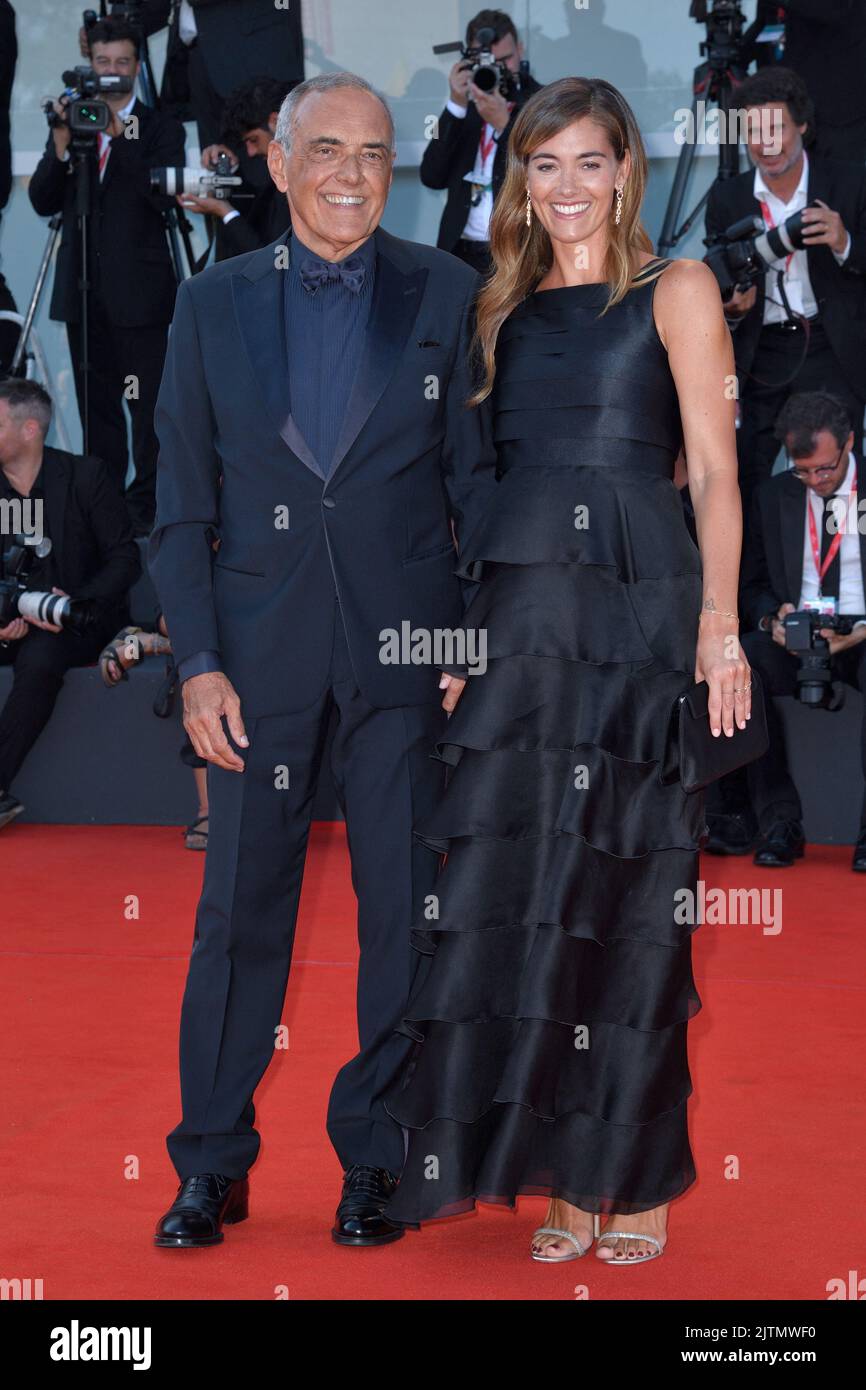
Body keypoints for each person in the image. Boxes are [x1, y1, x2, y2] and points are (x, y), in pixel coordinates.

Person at [381, 77, 750, 1265]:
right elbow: (476, 497)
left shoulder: (674, 289)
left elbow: (711, 472)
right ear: (518, 180)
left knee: (633, 899)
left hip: (640, 621)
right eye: (545, 165)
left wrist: (719, 624)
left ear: (626, 171)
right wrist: (466, 647)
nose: (568, 187)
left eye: (590, 162)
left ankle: (626, 1175)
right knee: (524, 897)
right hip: (525, 629)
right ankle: (554, 1172)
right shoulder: (494, 312)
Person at [147, 72, 498, 1250]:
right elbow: (180, 506)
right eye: (329, 149)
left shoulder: (444, 290)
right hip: (252, 666)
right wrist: (195, 661)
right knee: (238, 914)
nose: (353, 172)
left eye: (375, 152)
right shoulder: (211, 304)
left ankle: (379, 1161)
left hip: (408, 657)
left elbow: (475, 487)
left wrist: (468, 639)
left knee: (404, 913)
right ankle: (210, 1162)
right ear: (280, 161)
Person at [28, 16, 186, 536]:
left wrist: (122, 138)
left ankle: (146, 516)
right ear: (89, 66)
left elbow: (162, 197)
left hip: (140, 296)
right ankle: (105, 514)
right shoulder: (76, 121)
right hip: (82, 294)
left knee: (146, 413)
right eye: (103, 63)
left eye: (122, 63)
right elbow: (41, 201)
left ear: (138, 68)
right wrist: (60, 141)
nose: (112, 72)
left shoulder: (161, 126)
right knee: (98, 412)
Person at [707, 391, 866, 870]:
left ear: (850, 443)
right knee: (739, 664)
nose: (816, 482)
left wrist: (859, 630)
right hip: (796, 634)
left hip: (861, 634)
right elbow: (752, 585)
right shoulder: (774, 495)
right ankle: (779, 822)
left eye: (826, 470)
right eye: (804, 472)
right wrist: (770, 620)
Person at [706, 66, 866, 533]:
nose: (765, 142)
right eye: (753, 132)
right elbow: (718, 280)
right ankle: (757, 597)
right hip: (761, 355)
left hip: (830, 350)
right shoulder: (728, 198)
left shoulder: (848, 183)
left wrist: (844, 244)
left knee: (836, 471)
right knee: (749, 476)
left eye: (775, 127)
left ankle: (843, 595)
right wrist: (732, 308)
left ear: (802, 126)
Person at [0, 379, 141, 830]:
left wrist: (77, 600)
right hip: (11, 621)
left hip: (80, 620)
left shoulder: (85, 476)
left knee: (40, 660)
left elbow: (125, 557)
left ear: (30, 430)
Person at [420, 8, 541, 272]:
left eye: (505, 59)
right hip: (461, 252)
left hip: (517, 253)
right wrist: (455, 105)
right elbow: (431, 175)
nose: (497, 69)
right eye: (487, 62)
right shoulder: (465, 108)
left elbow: (543, 177)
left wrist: (504, 126)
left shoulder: (542, 103)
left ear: (520, 49)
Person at [176, 76, 292, 258]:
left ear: (275, 122)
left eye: (253, 140)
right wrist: (231, 170)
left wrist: (223, 210)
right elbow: (258, 216)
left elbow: (270, 259)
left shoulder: (296, 178)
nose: (251, 152)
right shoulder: (279, 174)